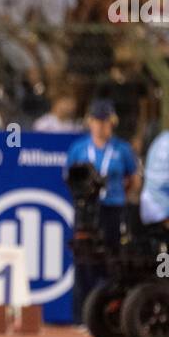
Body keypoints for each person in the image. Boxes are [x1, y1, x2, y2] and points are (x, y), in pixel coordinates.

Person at [64, 99, 141, 323]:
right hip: (87, 211)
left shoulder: (122, 149)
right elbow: (70, 178)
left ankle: (108, 314)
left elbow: (133, 179)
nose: (100, 126)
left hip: (112, 210)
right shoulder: (79, 148)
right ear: (90, 122)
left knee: (111, 259)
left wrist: (119, 196)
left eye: (105, 122)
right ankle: (81, 316)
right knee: (84, 259)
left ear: (112, 123)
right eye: (97, 121)